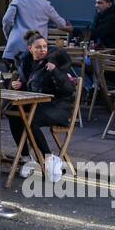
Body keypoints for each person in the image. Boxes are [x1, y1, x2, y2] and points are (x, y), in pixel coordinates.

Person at [9, 31, 78, 183]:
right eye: (38, 47)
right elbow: (27, 87)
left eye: (45, 46)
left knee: (31, 120)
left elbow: (68, 90)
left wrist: (55, 72)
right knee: (12, 113)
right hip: (36, 104)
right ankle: (27, 157)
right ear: (30, 49)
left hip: (58, 107)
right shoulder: (25, 63)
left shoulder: (55, 62)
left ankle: (49, 158)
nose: (42, 50)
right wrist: (16, 85)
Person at [1, 0, 70, 62]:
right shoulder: (46, 5)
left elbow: (6, 20)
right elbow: (61, 24)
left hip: (15, 48)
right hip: (37, 49)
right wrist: (70, 26)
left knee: (12, 73)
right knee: (35, 74)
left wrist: (9, 36)